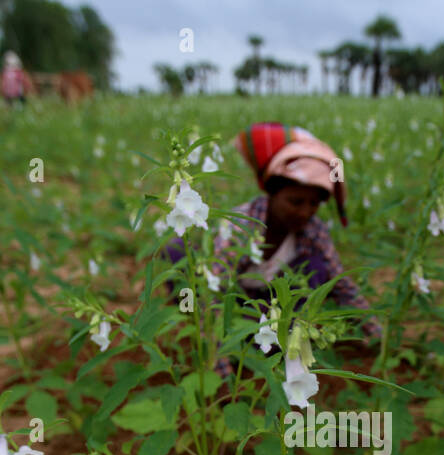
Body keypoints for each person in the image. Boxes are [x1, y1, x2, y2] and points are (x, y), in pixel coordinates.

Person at [163, 123, 380, 376]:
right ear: (270, 193)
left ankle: (280, 341)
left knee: (319, 268)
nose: (305, 212)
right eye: (295, 201)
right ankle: (211, 337)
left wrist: (375, 335)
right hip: (233, 308)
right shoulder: (241, 225)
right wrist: (220, 370)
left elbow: (342, 286)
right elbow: (211, 293)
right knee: (177, 251)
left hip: (278, 310)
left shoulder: (314, 229)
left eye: (313, 204)